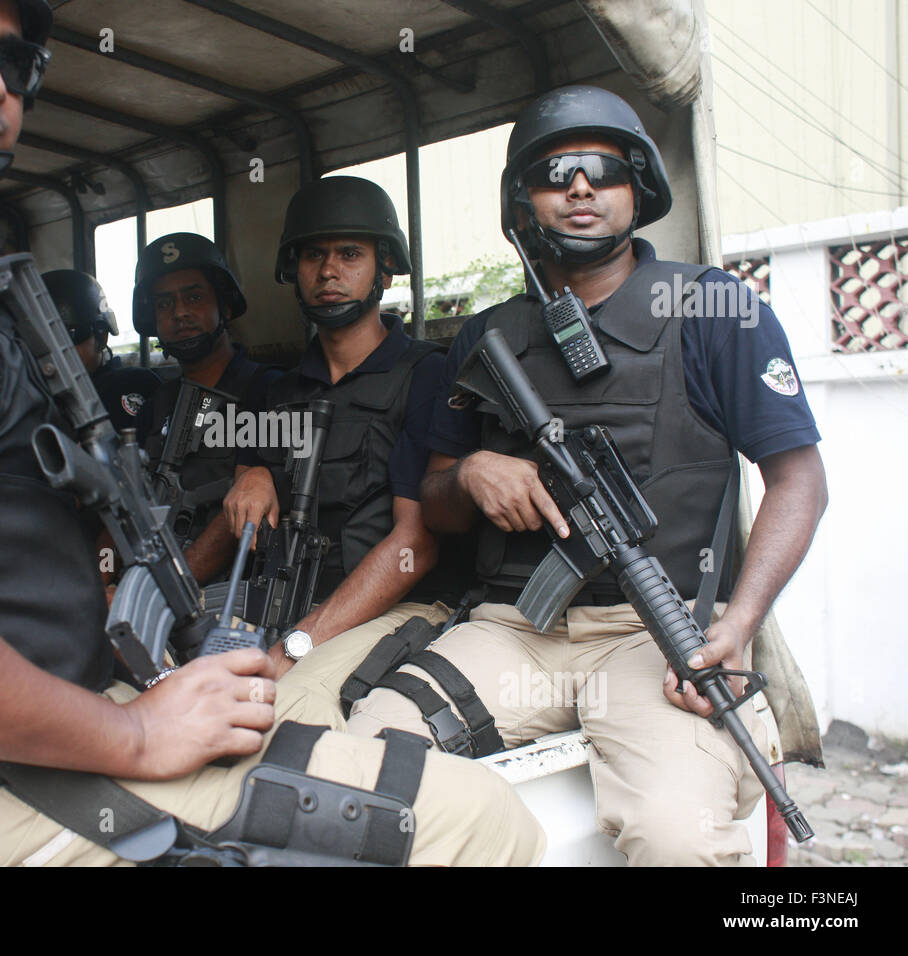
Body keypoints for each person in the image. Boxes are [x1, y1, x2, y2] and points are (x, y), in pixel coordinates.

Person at [0, 0, 545, 866]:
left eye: (16, 62)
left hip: (25, 736)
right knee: (483, 818)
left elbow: (415, 538)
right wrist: (138, 733)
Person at [345, 85, 829, 866]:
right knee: (358, 767)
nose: (578, 187)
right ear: (521, 202)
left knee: (678, 839)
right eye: (554, 171)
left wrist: (736, 628)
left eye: (603, 170)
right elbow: (432, 510)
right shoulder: (489, 334)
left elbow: (800, 481)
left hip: (656, 635)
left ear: (637, 188)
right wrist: (471, 472)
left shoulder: (711, 310)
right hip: (515, 632)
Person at [223, 176, 472, 700]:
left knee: (279, 706)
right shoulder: (279, 391)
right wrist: (255, 473)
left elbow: (416, 545)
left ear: (385, 266)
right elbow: (247, 480)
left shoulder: (425, 375)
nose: (330, 271)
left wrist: (291, 648)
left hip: (396, 606)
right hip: (289, 603)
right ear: (294, 269)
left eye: (350, 254)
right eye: (314, 255)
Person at [134, 233, 281, 584]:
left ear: (224, 306)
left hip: (229, 589)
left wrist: (163, 592)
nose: (180, 313)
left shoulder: (268, 390)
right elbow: (126, 504)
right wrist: (105, 582)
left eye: (194, 297)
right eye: (164, 304)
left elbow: (238, 514)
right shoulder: (155, 405)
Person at [42, 268, 158, 441]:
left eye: (68, 335)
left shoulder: (134, 385)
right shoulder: (27, 397)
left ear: (101, 335)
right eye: (42, 341)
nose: (55, 351)